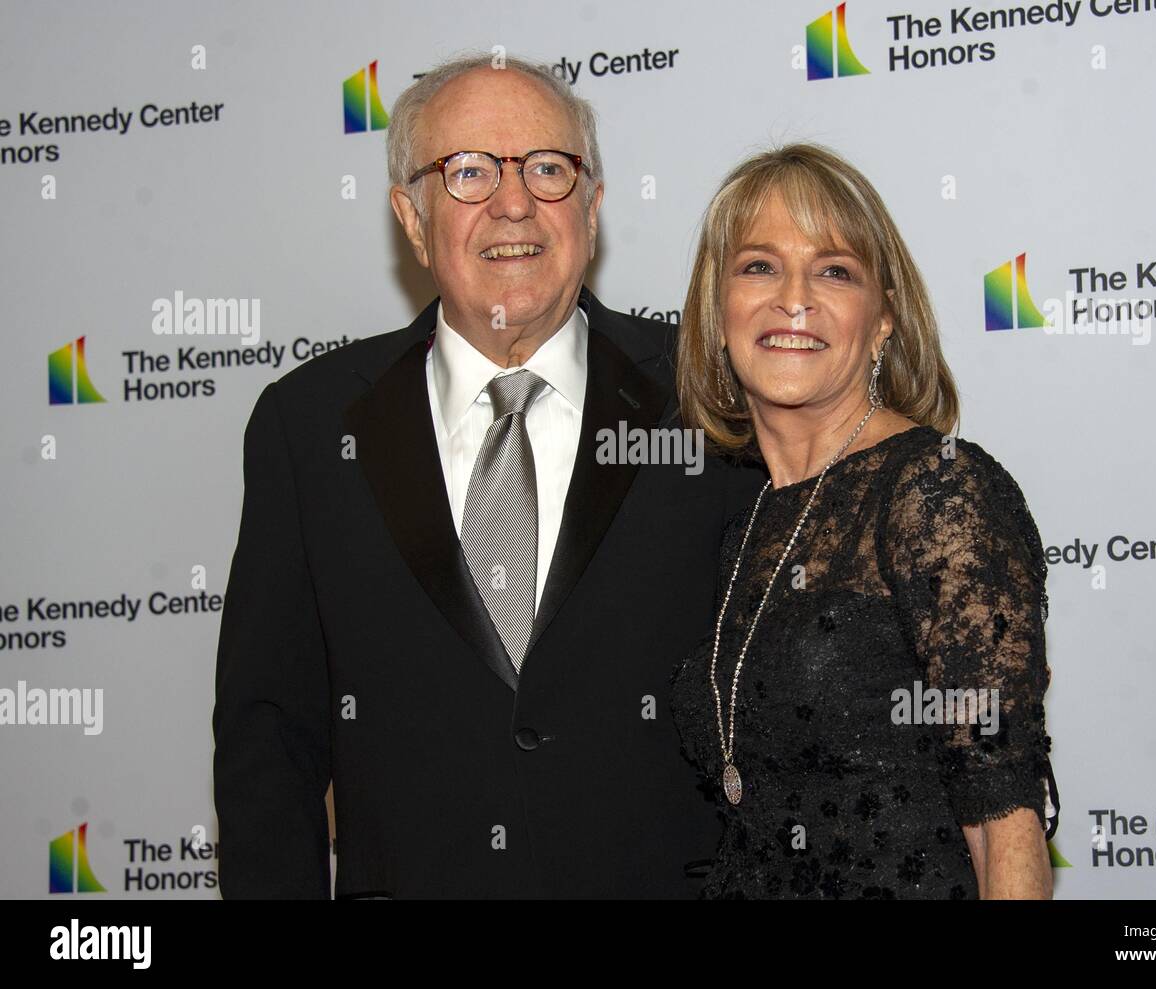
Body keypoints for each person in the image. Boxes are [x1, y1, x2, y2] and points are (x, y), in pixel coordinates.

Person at [212, 52, 758, 898]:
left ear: (593, 205)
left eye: (548, 168)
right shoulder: (309, 426)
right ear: (412, 215)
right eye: (467, 172)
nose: (514, 202)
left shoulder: (713, 398)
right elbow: (268, 740)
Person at [669, 143, 1057, 899]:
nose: (794, 297)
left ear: (882, 321)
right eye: (758, 266)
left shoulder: (939, 492)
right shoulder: (746, 522)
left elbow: (1004, 826)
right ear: (717, 313)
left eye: (834, 270)